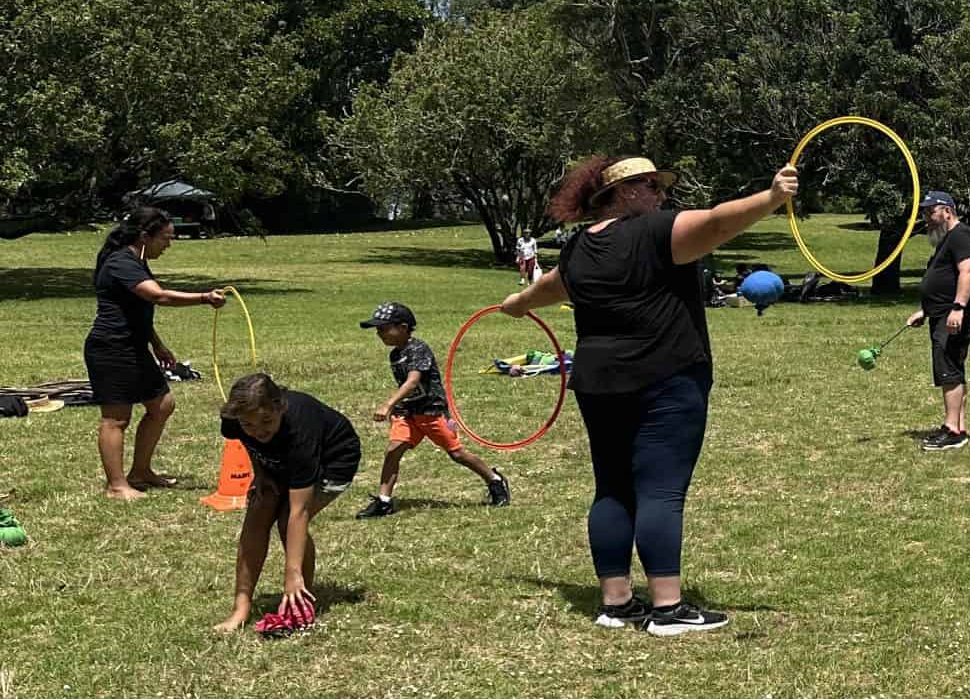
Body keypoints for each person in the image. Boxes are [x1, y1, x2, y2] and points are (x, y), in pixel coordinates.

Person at [503, 153, 798, 635]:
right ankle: (667, 607)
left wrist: (517, 304)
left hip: (598, 383)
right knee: (660, 490)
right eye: (653, 187)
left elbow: (550, 288)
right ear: (626, 193)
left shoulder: (578, 249)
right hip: (667, 375)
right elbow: (719, 222)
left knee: (613, 488)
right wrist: (770, 198)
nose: (662, 197)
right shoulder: (658, 232)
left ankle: (616, 603)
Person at [87, 208, 226, 501]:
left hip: (134, 346)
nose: (168, 244)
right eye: (165, 238)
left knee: (162, 405)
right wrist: (203, 297)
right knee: (116, 419)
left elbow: (134, 310)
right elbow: (156, 296)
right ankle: (116, 485)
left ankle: (140, 472)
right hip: (111, 348)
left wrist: (157, 344)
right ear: (144, 236)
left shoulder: (137, 261)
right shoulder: (120, 262)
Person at [215, 370, 362, 637]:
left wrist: (291, 573)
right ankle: (241, 607)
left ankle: (301, 600)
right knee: (258, 511)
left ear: (279, 406)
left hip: (334, 460)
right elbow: (248, 442)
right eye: (249, 425)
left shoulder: (300, 430)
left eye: (266, 421)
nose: (258, 431)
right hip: (277, 460)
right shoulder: (234, 419)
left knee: (286, 521)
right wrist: (260, 474)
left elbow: (299, 511)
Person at [353, 301, 510, 518]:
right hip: (407, 413)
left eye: (384, 328)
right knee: (392, 452)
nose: (379, 333)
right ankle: (384, 501)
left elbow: (412, 382)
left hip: (431, 411)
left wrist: (388, 404)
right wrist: (398, 408)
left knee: (457, 454)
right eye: (377, 329)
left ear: (404, 327)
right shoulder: (395, 354)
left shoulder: (419, 349)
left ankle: (494, 480)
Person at [905, 189, 970, 451]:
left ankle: (952, 431)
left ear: (947, 211)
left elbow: (968, 271)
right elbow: (942, 280)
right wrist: (924, 311)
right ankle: (958, 426)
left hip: (954, 313)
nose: (927, 218)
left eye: (930, 212)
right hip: (941, 313)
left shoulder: (962, 235)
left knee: (948, 369)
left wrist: (958, 307)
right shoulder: (946, 240)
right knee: (952, 369)